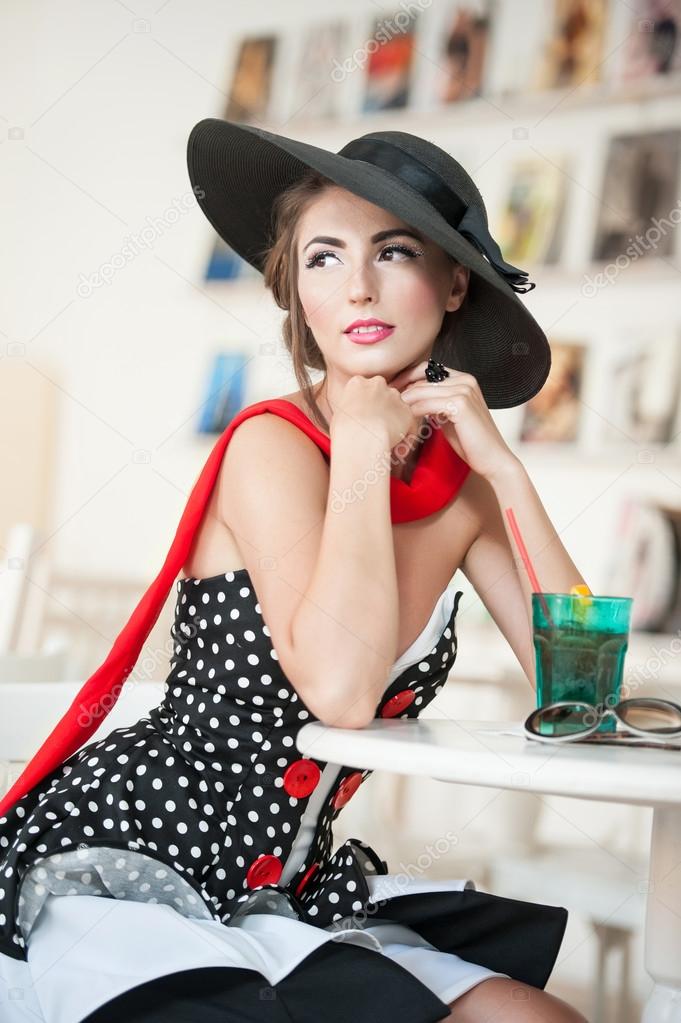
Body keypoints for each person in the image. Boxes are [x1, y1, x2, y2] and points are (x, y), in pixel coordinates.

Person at [0, 121, 590, 1022]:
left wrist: (506, 474)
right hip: (133, 862)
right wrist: (357, 444)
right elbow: (343, 689)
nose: (356, 286)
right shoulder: (271, 447)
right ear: (296, 293)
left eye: (392, 252)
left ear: (453, 280)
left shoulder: (465, 490)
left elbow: (580, 690)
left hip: (289, 883)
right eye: (323, 258)